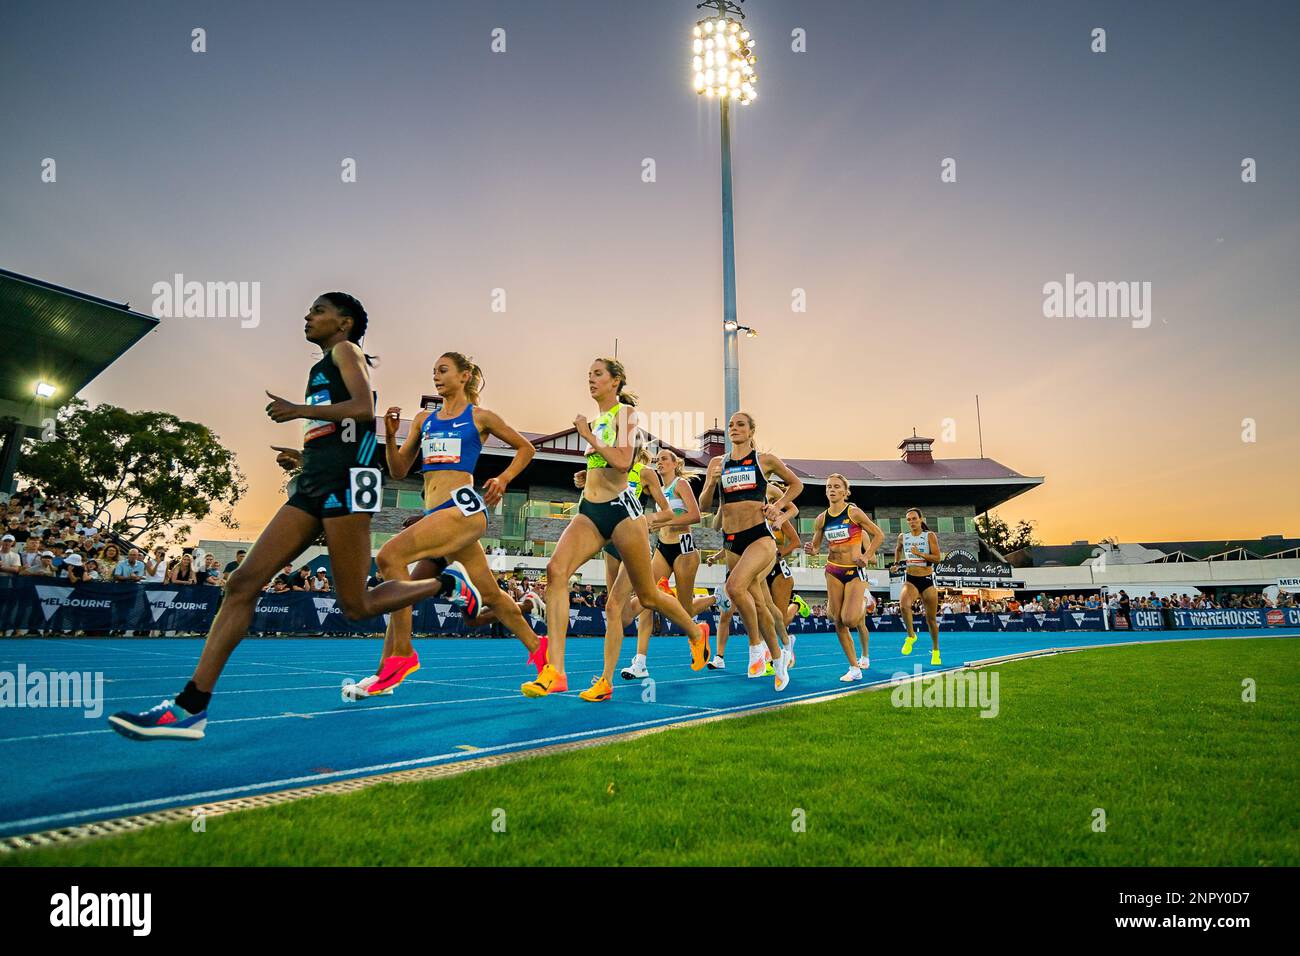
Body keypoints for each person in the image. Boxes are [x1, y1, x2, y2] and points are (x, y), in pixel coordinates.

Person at [109, 292, 471, 741]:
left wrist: (298, 410)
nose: (307, 315)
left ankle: (444, 585)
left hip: (345, 487)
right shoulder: (324, 363)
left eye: (318, 310)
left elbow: (363, 409)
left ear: (344, 322)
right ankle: (191, 707)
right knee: (242, 583)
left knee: (355, 606)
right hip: (314, 484)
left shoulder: (346, 350)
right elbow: (341, 431)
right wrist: (303, 457)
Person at [346, 351, 546, 699]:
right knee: (484, 595)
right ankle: (540, 650)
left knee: (390, 559)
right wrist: (392, 436)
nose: (436, 377)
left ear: (465, 375)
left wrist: (503, 478)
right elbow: (397, 470)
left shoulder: (480, 416)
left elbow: (525, 448)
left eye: (443, 370)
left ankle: (402, 657)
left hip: (463, 509)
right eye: (433, 372)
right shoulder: (424, 420)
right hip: (438, 517)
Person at [520, 358, 711, 702]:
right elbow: (607, 465)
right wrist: (587, 475)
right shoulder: (598, 421)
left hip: (623, 514)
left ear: (615, 381)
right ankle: (557, 671)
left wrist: (587, 435)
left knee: (647, 596)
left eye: (597, 374)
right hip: (589, 511)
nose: (590, 379)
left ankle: (696, 632)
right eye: (588, 374)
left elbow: (623, 462)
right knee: (556, 571)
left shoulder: (624, 414)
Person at [697, 411, 803, 690]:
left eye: (740, 425)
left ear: (751, 431)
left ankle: (756, 648)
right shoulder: (717, 464)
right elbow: (705, 507)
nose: (734, 429)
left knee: (734, 587)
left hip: (759, 537)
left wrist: (778, 509)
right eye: (731, 425)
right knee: (757, 603)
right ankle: (778, 658)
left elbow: (796, 485)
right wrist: (710, 482)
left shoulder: (763, 460)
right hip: (731, 541)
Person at [805, 474, 884, 681]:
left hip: (853, 571)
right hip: (833, 570)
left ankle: (865, 600)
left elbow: (879, 535)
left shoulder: (854, 513)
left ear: (844, 491)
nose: (831, 489)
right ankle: (854, 668)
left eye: (836, 486)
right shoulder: (821, 519)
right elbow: (815, 546)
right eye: (828, 486)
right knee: (836, 620)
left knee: (849, 619)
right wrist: (811, 550)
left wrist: (866, 556)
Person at [895, 508, 942, 665]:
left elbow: (937, 558)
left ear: (921, 519)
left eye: (914, 518)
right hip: (911, 579)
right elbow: (898, 549)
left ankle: (936, 651)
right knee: (903, 606)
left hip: (927, 579)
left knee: (931, 620)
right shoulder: (903, 537)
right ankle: (911, 636)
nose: (912, 522)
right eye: (908, 519)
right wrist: (896, 563)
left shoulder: (929, 536)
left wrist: (920, 554)